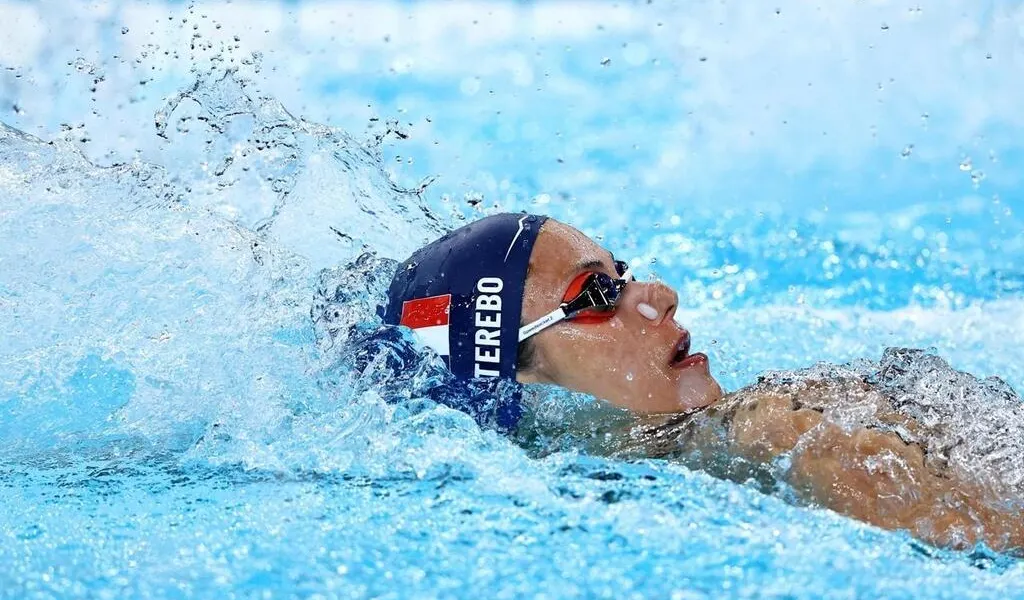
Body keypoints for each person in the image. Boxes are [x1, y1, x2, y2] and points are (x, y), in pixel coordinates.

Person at [381, 213, 1024, 555]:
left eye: (621, 272)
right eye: (599, 293)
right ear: (520, 376)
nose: (658, 294)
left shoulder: (776, 425)